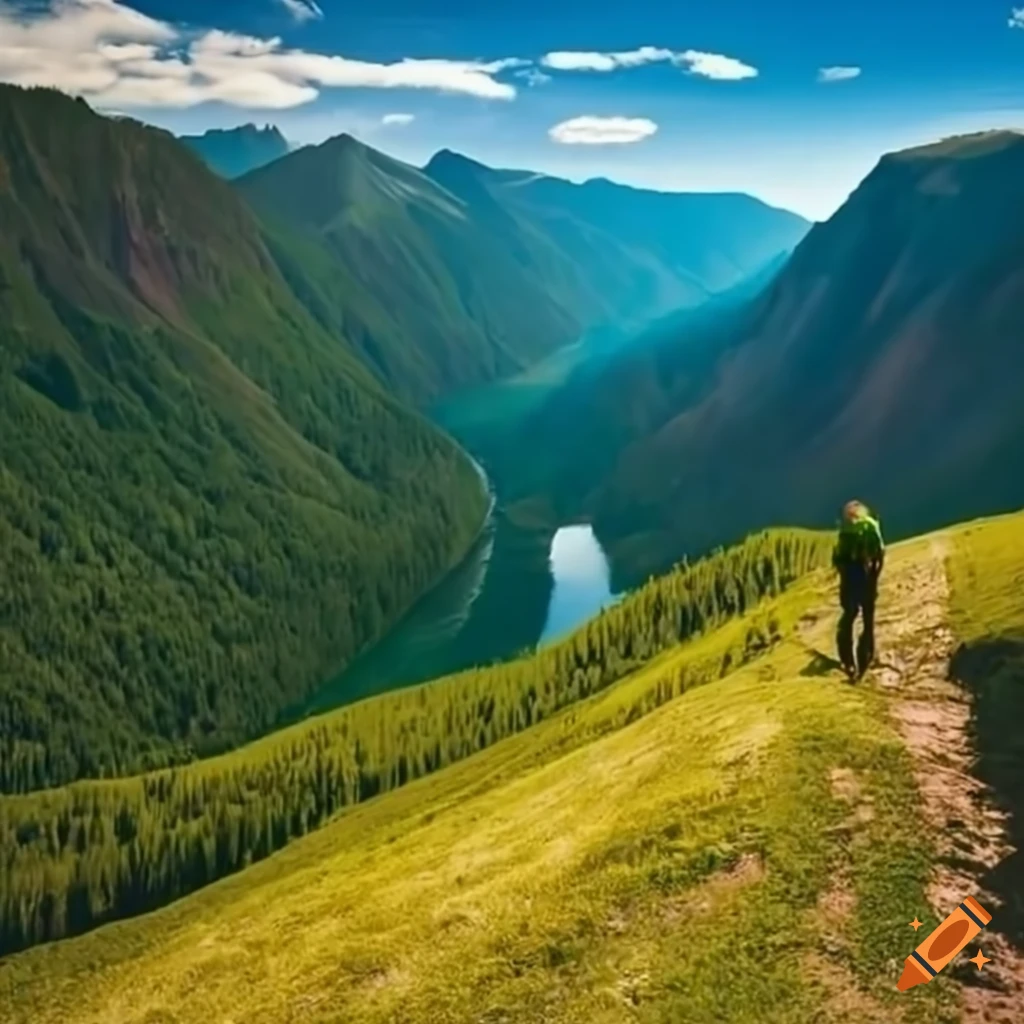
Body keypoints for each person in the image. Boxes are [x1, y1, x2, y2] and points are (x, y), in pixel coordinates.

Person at [832, 500, 885, 679]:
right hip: (867, 575)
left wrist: (844, 576)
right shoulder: (870, 527)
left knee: (849, 615)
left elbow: (838, 559)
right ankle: (866, 657)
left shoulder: (845, 533)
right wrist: (874, 576)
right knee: (868, 618)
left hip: (851, 576)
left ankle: (848, 661)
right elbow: (880, 554)